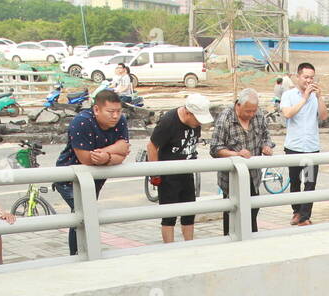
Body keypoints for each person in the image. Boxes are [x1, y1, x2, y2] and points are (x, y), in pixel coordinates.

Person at [54, 89, 131, 254]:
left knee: (83, 216)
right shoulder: (81, 122)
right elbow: (86, 159)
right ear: (96, 109)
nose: (116, 116)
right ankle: (80, 254)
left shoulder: (121, 121)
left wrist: (106, 156)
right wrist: (113, 152)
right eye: (111, 112)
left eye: (118, 111)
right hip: (70, 179)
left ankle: (82, 254)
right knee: (85, 215)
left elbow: (124, 152)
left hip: (95, 179)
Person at [147, 93, 212, 243]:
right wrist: (155, 173)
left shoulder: (195, 124)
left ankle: (189, 244)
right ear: (188, 113)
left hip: (187, 172)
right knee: (169, 216)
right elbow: (152, 146)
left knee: (189, 212)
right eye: (197, 119)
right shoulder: (169, 121)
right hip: (169, 175)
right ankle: (170, 248)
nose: (198, 123)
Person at [210, 89, 274, 236]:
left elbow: (266, 136)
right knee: (232, 215)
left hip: (253, 176)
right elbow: (215, 148)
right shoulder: (225, 118)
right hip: (232, 179)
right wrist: (236, 154)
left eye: (254, 111)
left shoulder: (258, 115)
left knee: (252, 212)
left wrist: (266, 146)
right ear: (238, 105)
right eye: (247, 111)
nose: (251, 115)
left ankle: (251, 245)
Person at [280, 61, 328, 226]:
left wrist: (319, 97)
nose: (309, 81)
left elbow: (323, 116)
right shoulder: (289, 95)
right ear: (297, 77)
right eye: (306, 77)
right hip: (294, 147)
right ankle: (296, 212)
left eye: (312, 78)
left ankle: (305, 216)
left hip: (311, 148)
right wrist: (304, 98)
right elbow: (287, 113)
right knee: (295, 182)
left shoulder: (316, 96)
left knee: (310, 182)